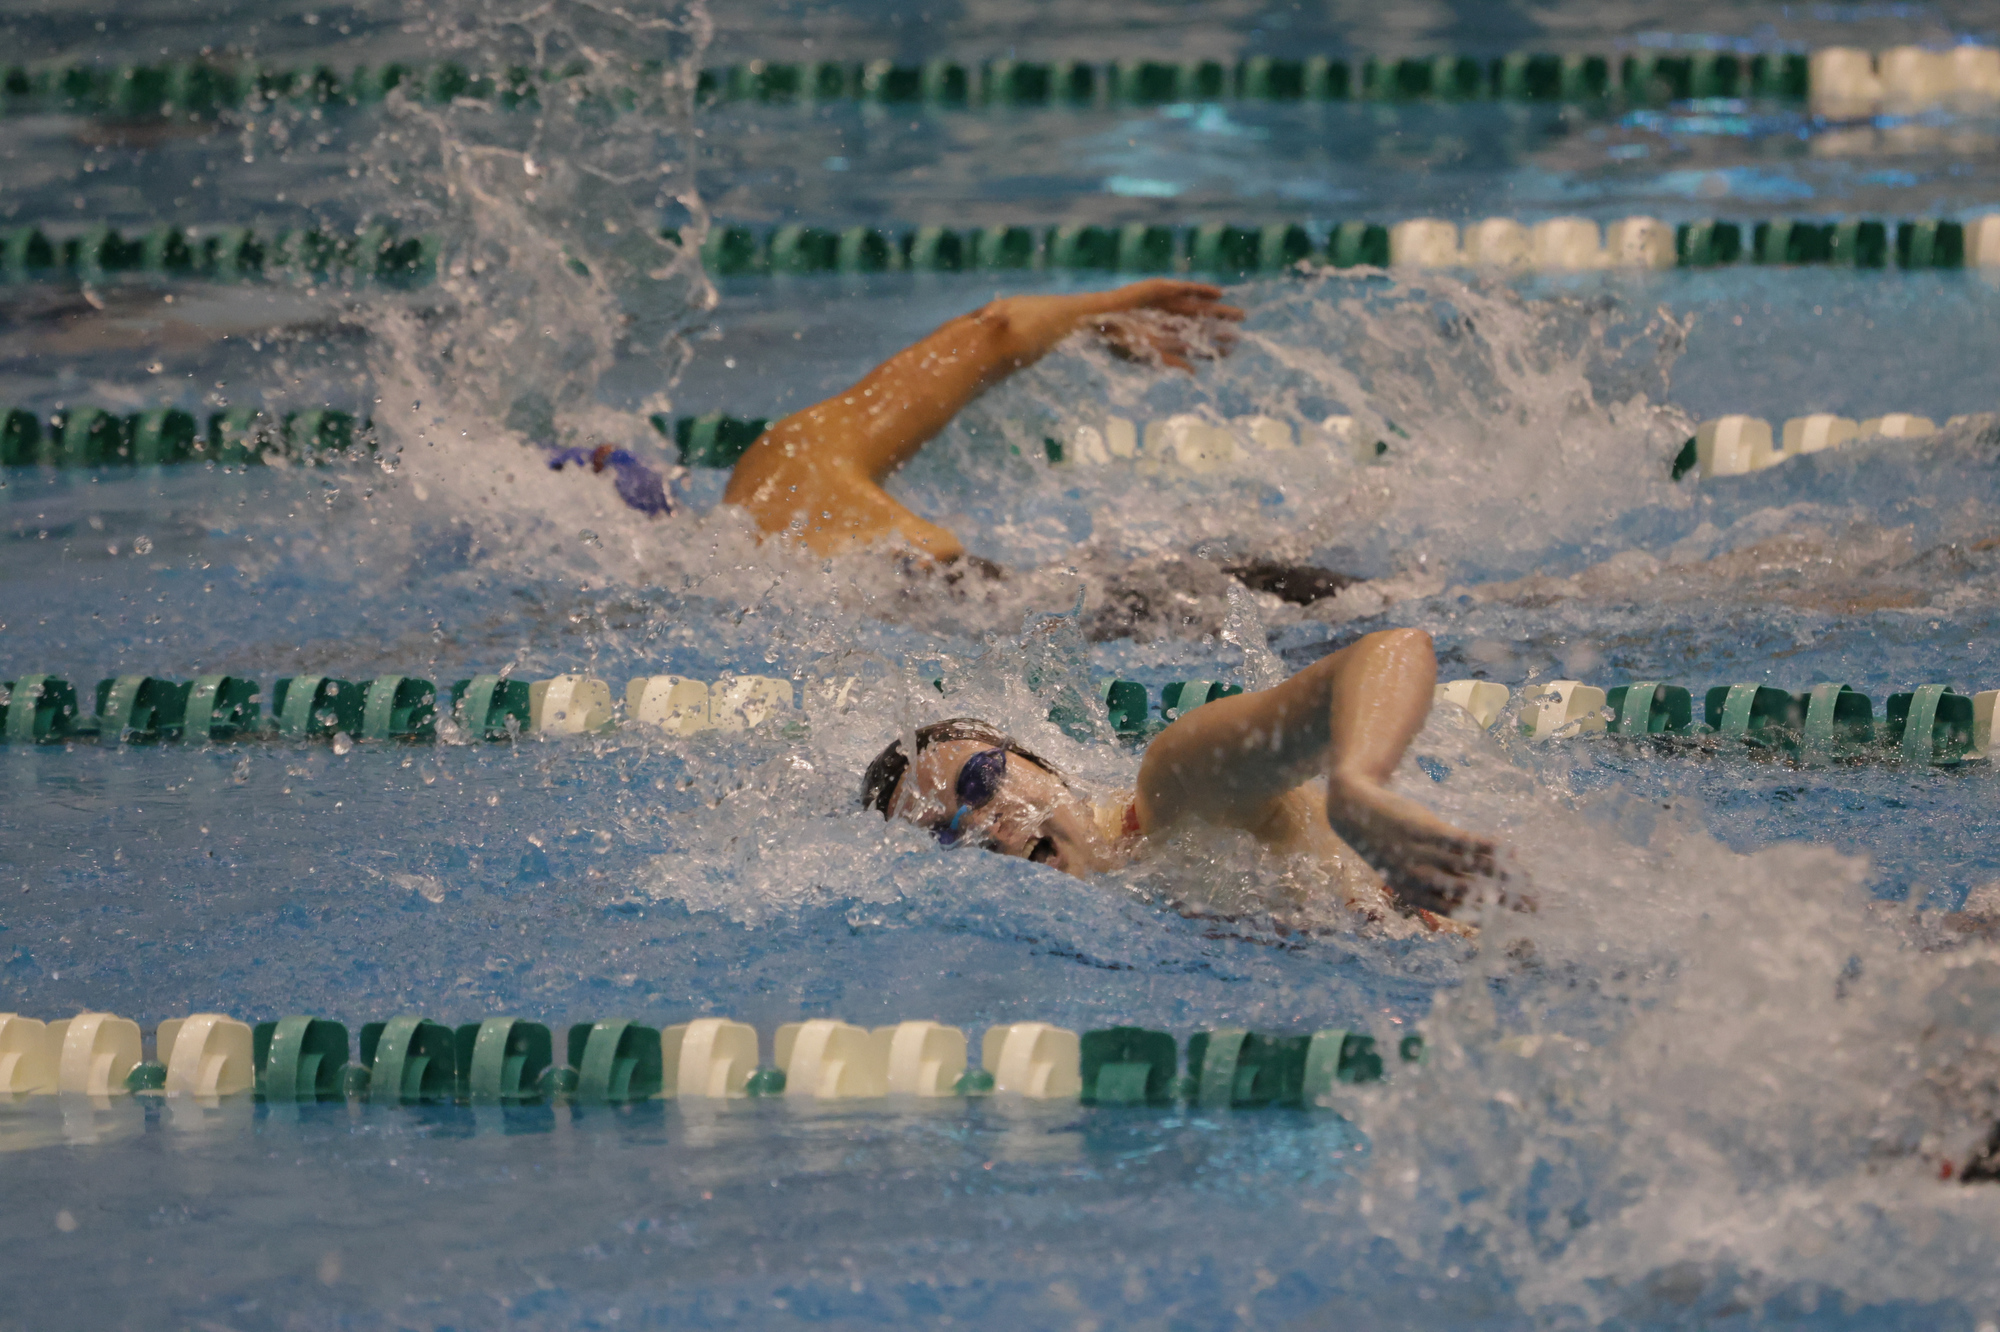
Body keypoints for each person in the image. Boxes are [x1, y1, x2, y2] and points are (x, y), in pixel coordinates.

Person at [861, 626, 1514, 930]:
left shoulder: (1177, 793)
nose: (981, 822)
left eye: (982, 781)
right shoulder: (1117, 905)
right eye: (943, 835)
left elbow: (1391, 650)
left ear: (1045, 767)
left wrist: (1360, 784)